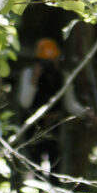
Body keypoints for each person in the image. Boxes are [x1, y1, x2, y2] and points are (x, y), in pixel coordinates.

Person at [15, 37, 85, 177]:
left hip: (54, 127)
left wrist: (85, 113)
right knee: (33, 167)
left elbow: (71, 105)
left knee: (55, 169)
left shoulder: (63, 77)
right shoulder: (29, 74)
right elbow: (24, 103)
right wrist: (33, 82)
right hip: (33, 127)